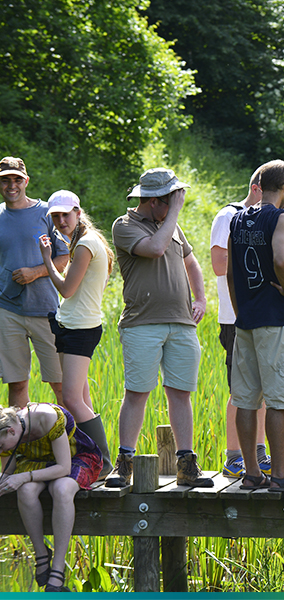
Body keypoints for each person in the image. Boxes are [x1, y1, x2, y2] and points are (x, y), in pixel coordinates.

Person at [106, 168, 212, 488]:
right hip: (143, 323)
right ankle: (124, 463)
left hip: (181, 322)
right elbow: (153, 248)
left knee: (180, 393)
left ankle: (186, 464)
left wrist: (202, 299)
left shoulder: (171, 225)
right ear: (153, 202)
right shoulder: (125, 225)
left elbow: (190, 262)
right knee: (137, 392)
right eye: (170, 200)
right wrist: (174, 214)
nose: (175, 205)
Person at [227, 159, 284, 492]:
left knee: (245, 399)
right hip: (275, 320)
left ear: (260, 183)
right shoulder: (281, 217)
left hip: (245, 320)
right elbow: (280, 257)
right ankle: (279, 475)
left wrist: (240, 310)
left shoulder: (237, 219)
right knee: (278, 400)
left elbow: (231, 272)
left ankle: (250, 474)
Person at [38, 190, 114, 478]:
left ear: (78, 212)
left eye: (65, 215)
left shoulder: (85, 245)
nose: (60, 220)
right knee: (81, 397)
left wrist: (47, 259)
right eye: (55, 216)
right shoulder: (83, 242)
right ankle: (93, 456)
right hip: (72, 325)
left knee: (70, 398)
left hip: (80, 329)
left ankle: (103, 461)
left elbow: (67, 289)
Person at [0, 402, 102, 592]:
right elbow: (9, 471)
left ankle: (58, 567)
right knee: (25, 490)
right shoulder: (6, 435)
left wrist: (23, 477)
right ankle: (41, 555)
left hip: (75, 458)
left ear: (11, 431)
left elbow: (63, 468)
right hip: (40, 462)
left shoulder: (47, 417)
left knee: (62, 489)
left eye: (0, 446)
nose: (0, 451)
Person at [210, 167, 271, 478]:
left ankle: (258, 453)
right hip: (235, 318)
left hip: (261, 316)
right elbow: (219, 265)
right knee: (240, 390)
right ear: (257, 188)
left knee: (259, 390)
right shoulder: (228, 216)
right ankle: (233, 455)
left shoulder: (266, 221)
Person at [0, 156, 68, 408]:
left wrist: (36, 272)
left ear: (26, 181)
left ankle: (74, 444)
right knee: (17, 383)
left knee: (60, 384)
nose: (11, 186)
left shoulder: (46, 213)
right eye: (5, 180)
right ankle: (19, 444)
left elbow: (65, 257)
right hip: (8, 311)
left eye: (17, 179)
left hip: (46, 310)